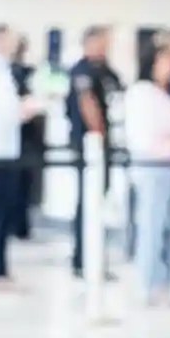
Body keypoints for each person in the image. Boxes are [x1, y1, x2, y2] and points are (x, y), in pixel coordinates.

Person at [124, 33, 170, 307]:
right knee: (152, 225)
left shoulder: (165, 93)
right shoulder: (142, 93)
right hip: (152, 166)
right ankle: (148, 283)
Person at [0, 24, 43, 286]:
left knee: (2, 210)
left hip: (6, 148)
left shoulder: (1, 70)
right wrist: (27, 107)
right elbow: (3, 109)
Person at [67, 25, 122, 280]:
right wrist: (98, 136)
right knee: (87, 202)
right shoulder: (81, 71)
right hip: (89, 147)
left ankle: (95, 256)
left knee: (99, 202)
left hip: (104, 146)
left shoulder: (106, 70)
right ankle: (83, 259)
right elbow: (87, 104)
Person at [11, 35, 42, 239]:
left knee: (22, 184)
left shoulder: (29, 73)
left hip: (26, 137)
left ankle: (20, 224)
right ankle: (17, 224)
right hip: (17, 137)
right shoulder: (7, 74)